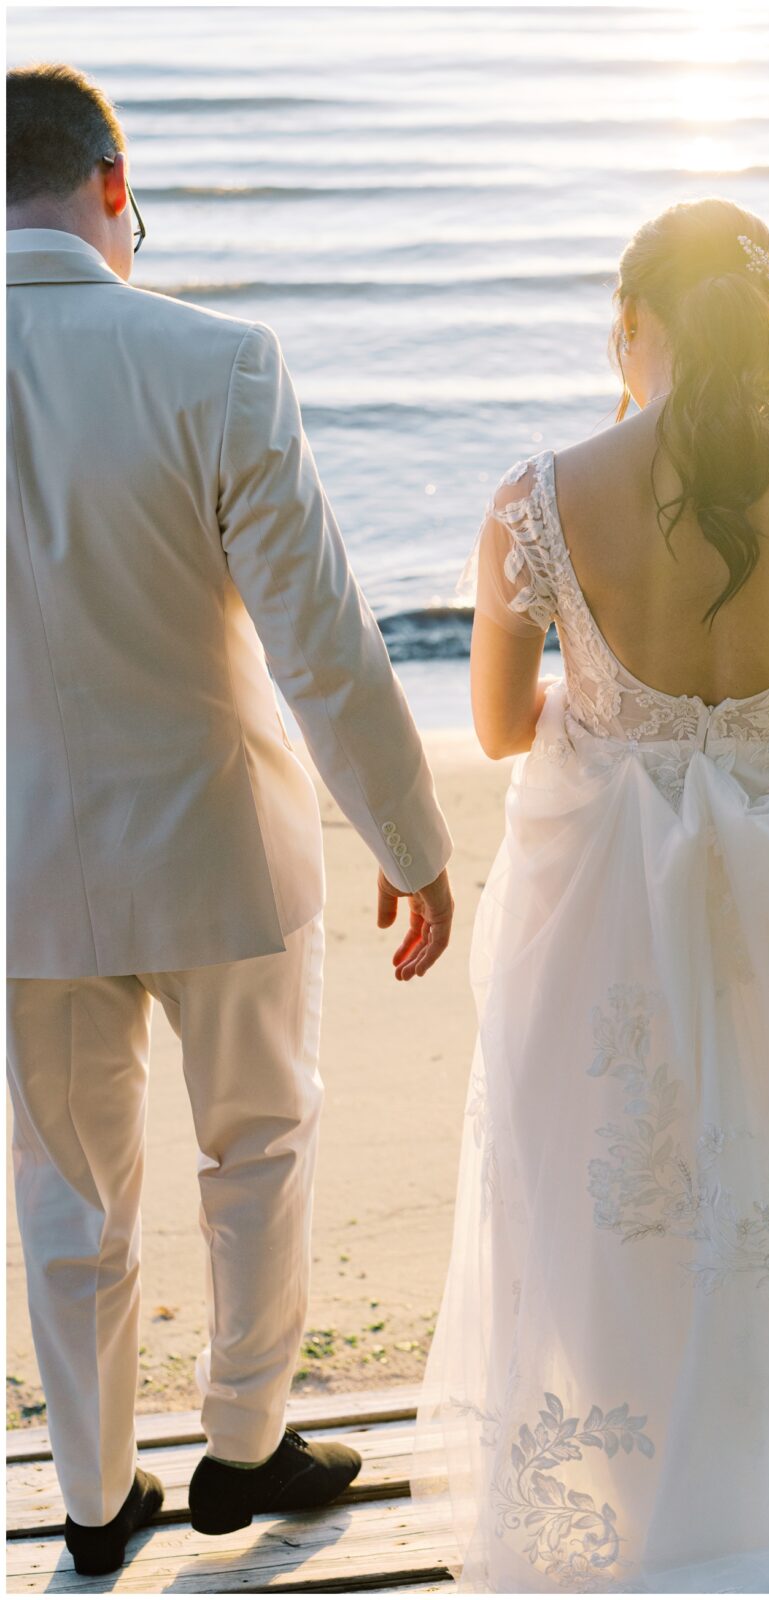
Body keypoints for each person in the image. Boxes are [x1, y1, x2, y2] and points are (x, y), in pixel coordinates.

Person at [413, 197, 769, 1592]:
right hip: (764, 921)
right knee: (757, 1201)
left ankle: (627, 1512)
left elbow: (497, 723)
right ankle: (749, 1501)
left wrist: (613, 694)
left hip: (593, 917)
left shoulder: (539, 498)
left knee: (600, 1212)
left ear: (631, 324)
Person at [6, 64, 455, 1577]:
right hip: (215, 845)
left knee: (69, 1194)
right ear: (114, 188)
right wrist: (410, 837)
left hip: (21, 865)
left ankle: (91, 1497)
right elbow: (318, 637)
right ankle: (248, 1443)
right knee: (255, 1146)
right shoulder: (216, 360)